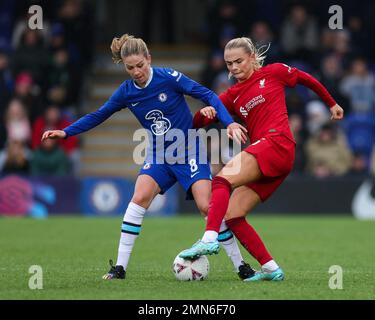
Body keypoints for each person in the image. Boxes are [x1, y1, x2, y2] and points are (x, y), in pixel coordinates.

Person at [41, 34, 254, 280]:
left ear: (149, 59)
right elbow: (98, 115)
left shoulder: (168, 77)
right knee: (139, 197)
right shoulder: (126, 92)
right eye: (130, 68)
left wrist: (228, 123)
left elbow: (208, 95)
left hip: (189, 150)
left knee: (207, 206)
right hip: (159, 154)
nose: (137, 72)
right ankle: (119, 268)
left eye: (140, 65)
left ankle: (241, 267)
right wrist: (66, 132)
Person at [179, 37, 344, 281]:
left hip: (277, 143)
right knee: (233, 215)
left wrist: (331, 103)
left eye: (238, 61)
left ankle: (209, 238)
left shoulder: (274, 72)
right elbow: (197, 123)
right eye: (228, 64)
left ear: (252, 58)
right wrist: (203, 114)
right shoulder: (232, 95)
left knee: (222, 180)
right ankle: (270, 268)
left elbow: (306, 79)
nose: (233, 68)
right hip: (270, 156)